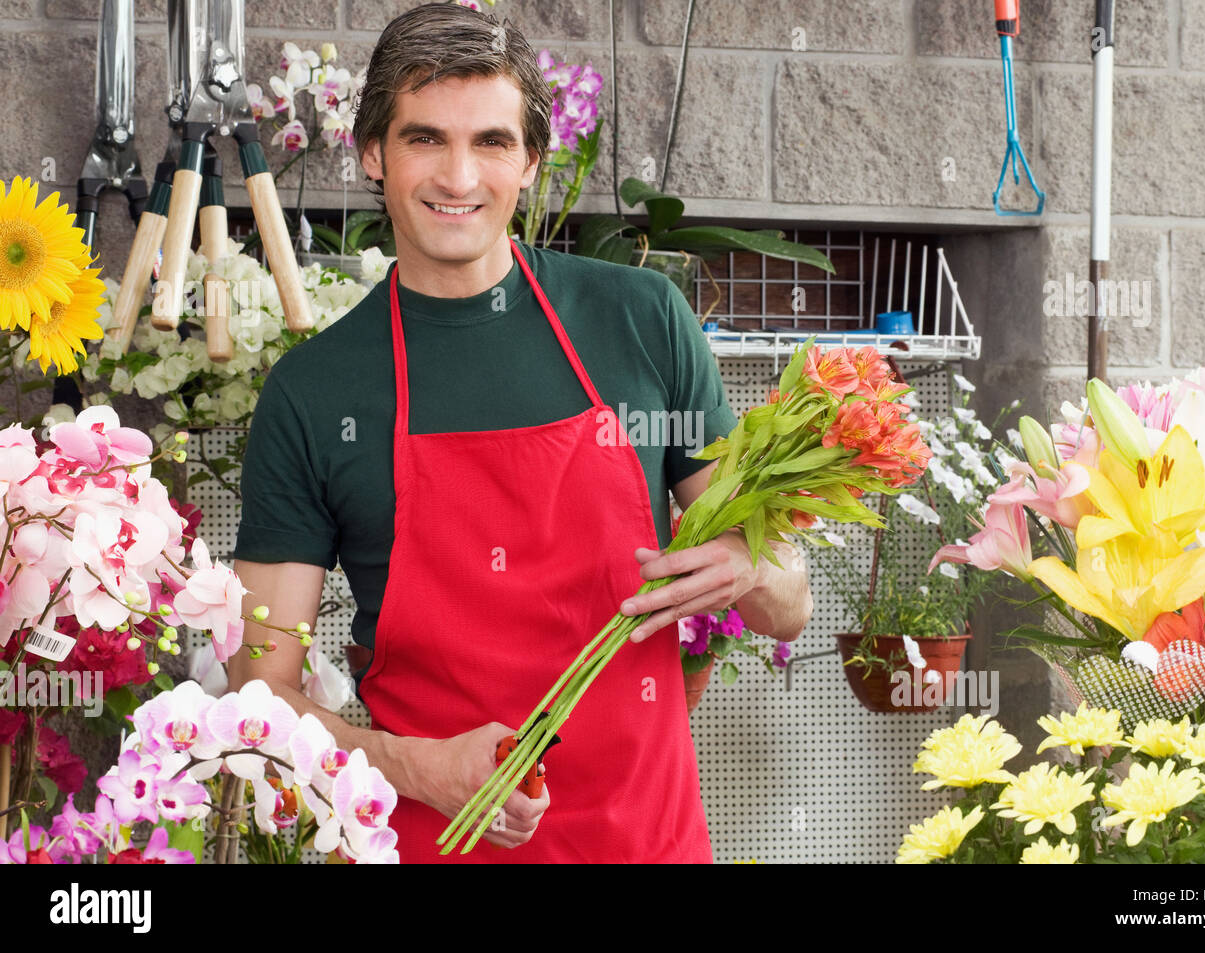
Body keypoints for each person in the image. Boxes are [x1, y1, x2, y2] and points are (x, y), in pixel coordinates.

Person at [229, 3, 813, 863]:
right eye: (425, 138)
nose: (460, 176)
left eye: (493, 143)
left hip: (647, 842)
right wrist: (415, 767)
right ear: (371, 155)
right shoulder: (314, 392)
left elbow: (790, 603)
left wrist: (753, 565)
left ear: (533, 160)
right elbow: (257, 692)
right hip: (433, 841)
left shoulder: (641, 320)